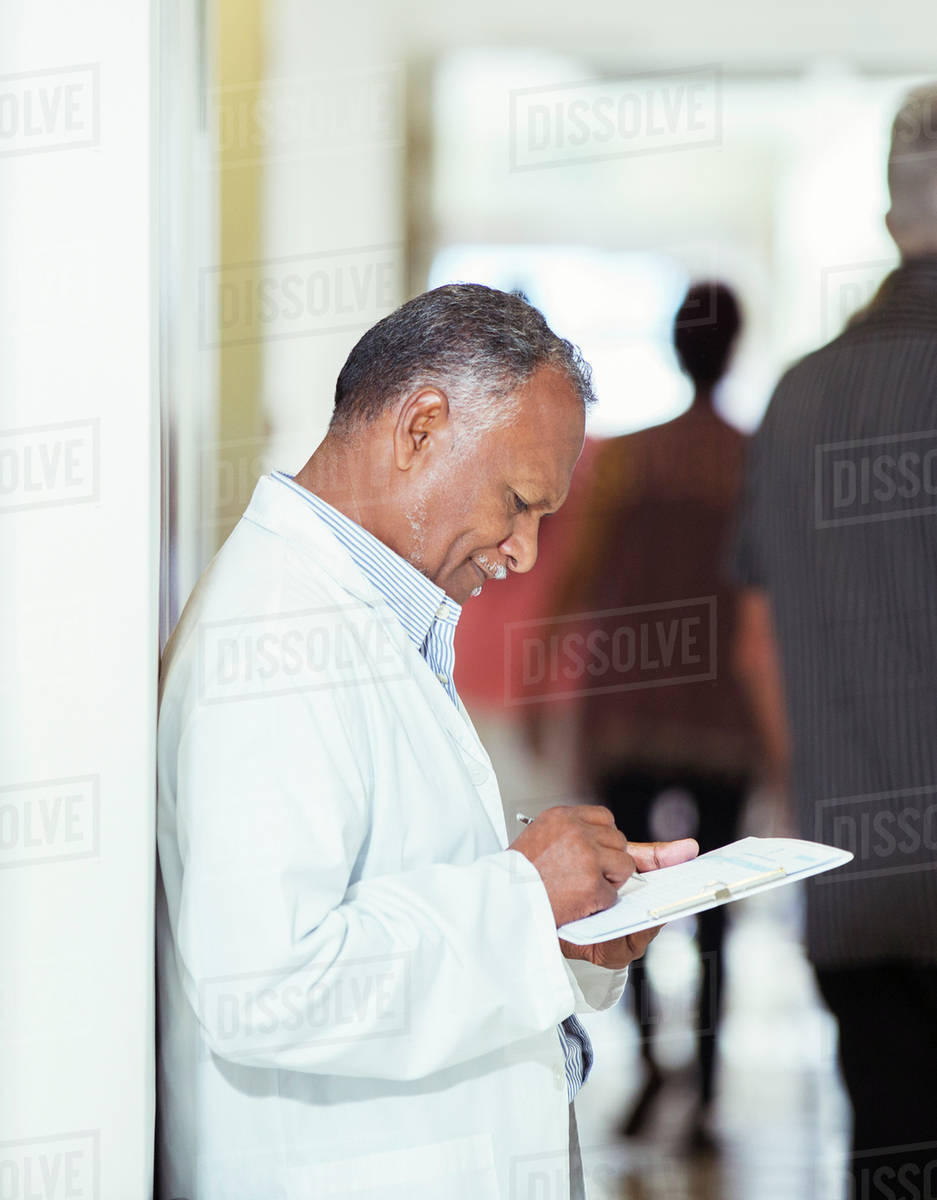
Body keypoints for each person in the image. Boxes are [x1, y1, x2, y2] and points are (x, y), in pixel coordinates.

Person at [155, 283, 698, 1200]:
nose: (523, 552)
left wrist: (565, 930)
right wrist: (527, 900)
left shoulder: (366, 612)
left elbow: (399, 902)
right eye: (517, 502)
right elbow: (264, 986)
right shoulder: (274, 639)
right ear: (421, 428)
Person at [731, 85, 937, 1190]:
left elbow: (755, 642)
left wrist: (810, 790)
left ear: (886, 220)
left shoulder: (799, 399)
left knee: (890, 1146)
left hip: (854, 873)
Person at [542, 282, 785, 1148]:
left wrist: (547, 678)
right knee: (718, 902)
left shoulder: (628, 458)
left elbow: (581, 577)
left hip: (632, 704)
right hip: (721, 712)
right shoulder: (753, 458)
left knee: (628, 895)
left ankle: (648, 1071)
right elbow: (770, 597)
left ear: (678, 347)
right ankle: (708, 1096)